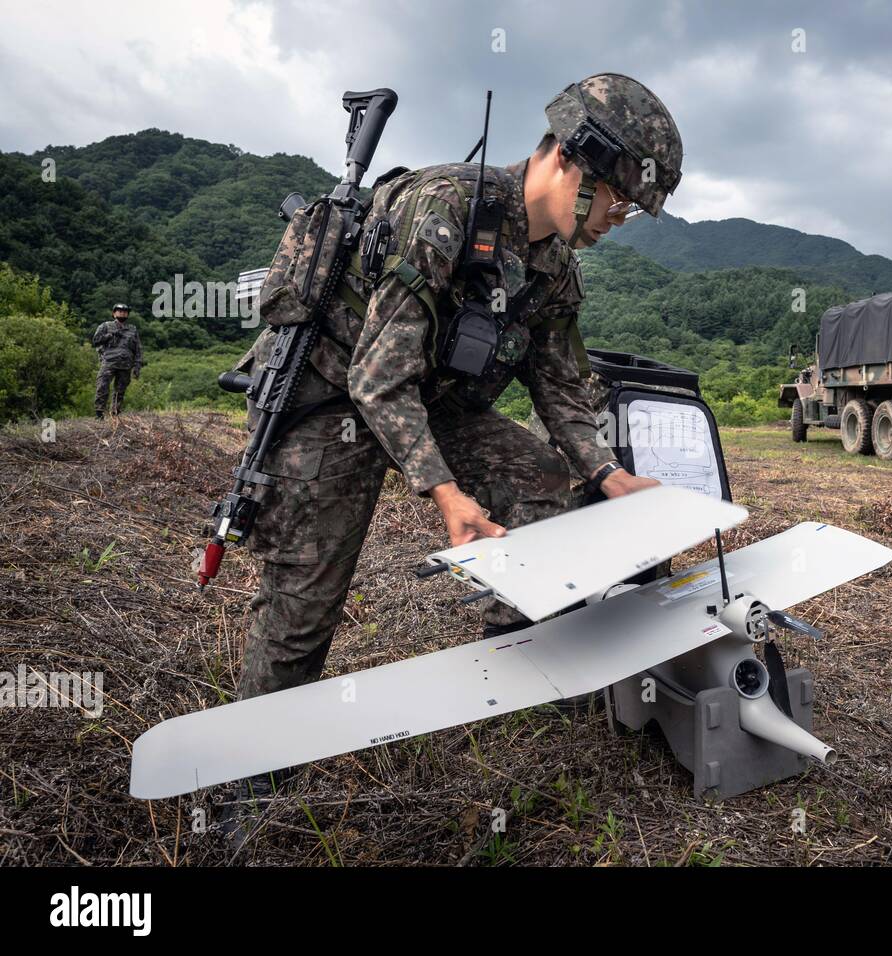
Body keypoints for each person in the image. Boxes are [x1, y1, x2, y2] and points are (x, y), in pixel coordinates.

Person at [216, 75, 683, 821]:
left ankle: (509, 663)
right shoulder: (445, 209)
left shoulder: (554, 267)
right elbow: (376, 378)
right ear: (567, 160)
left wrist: (606, 471)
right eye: (618, 201)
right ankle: (246, 786)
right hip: (334, 396)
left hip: (426, 397)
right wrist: (447, 495)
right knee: (305, 606)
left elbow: (562, 383)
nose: (619, 221)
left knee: (542, 483)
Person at [92, 304, 143, 418]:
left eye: (125, 312)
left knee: (120, 391)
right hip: (109, 362)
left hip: (125, 365)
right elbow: (95, 341)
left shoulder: (132, 329)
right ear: (114, 313)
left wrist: (137, 366)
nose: (122, 313)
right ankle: (99, 413)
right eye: (119, 311)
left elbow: (138, 349)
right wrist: (110, 335)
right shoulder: (106, 326)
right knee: (102, 387)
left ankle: (115, 413)